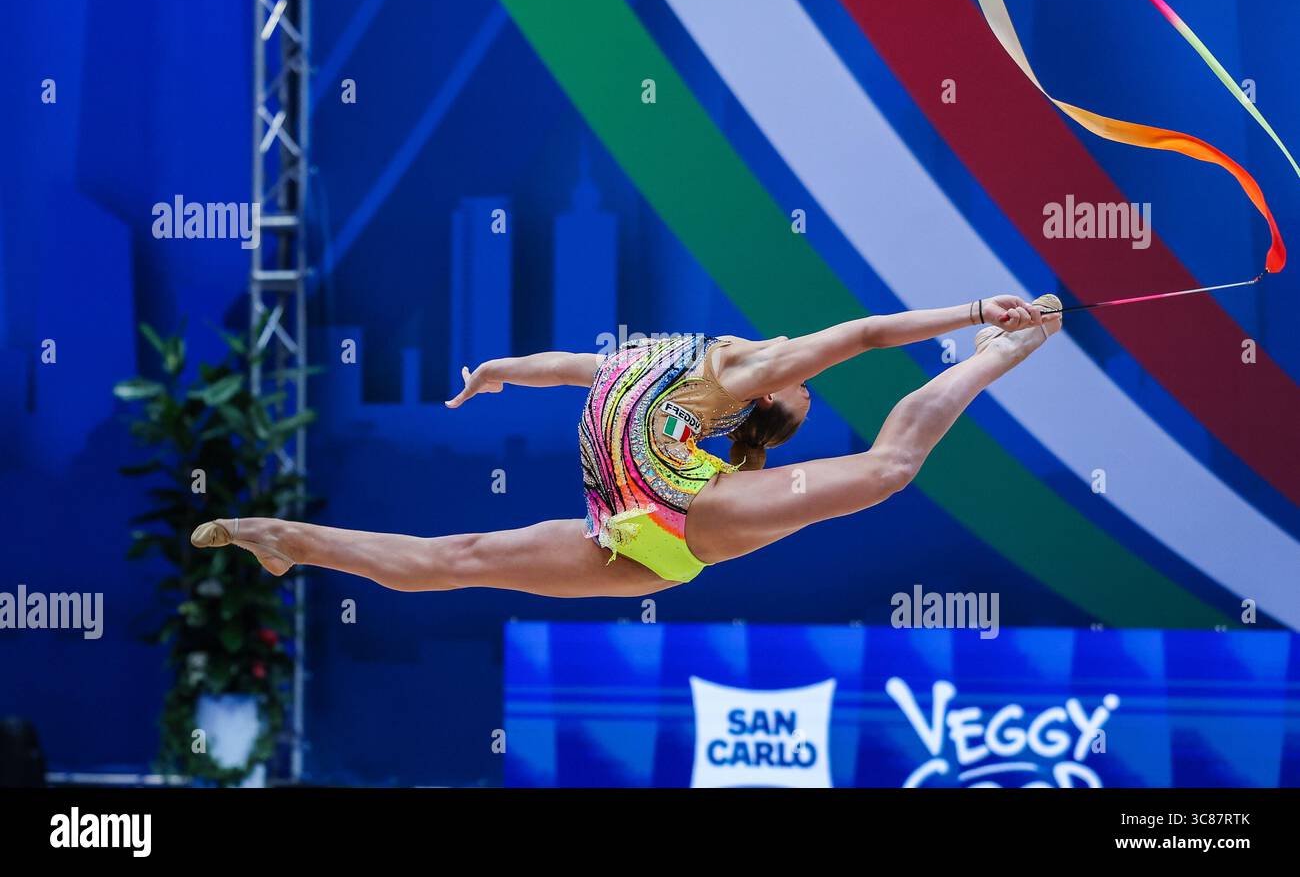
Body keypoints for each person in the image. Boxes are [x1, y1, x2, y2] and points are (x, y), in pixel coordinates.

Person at [193, 295, 1061, 598]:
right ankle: (286, 540)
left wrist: (980, 318)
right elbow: (869, 331)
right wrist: (501, 368)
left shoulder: (697, 365)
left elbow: (870, 333)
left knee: (886, 469)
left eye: (802, 385)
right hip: (647, 524)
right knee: (452, 556)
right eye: (805, 384)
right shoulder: (718, 362)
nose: (805, 376)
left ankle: (998, 363)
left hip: (658, 521)